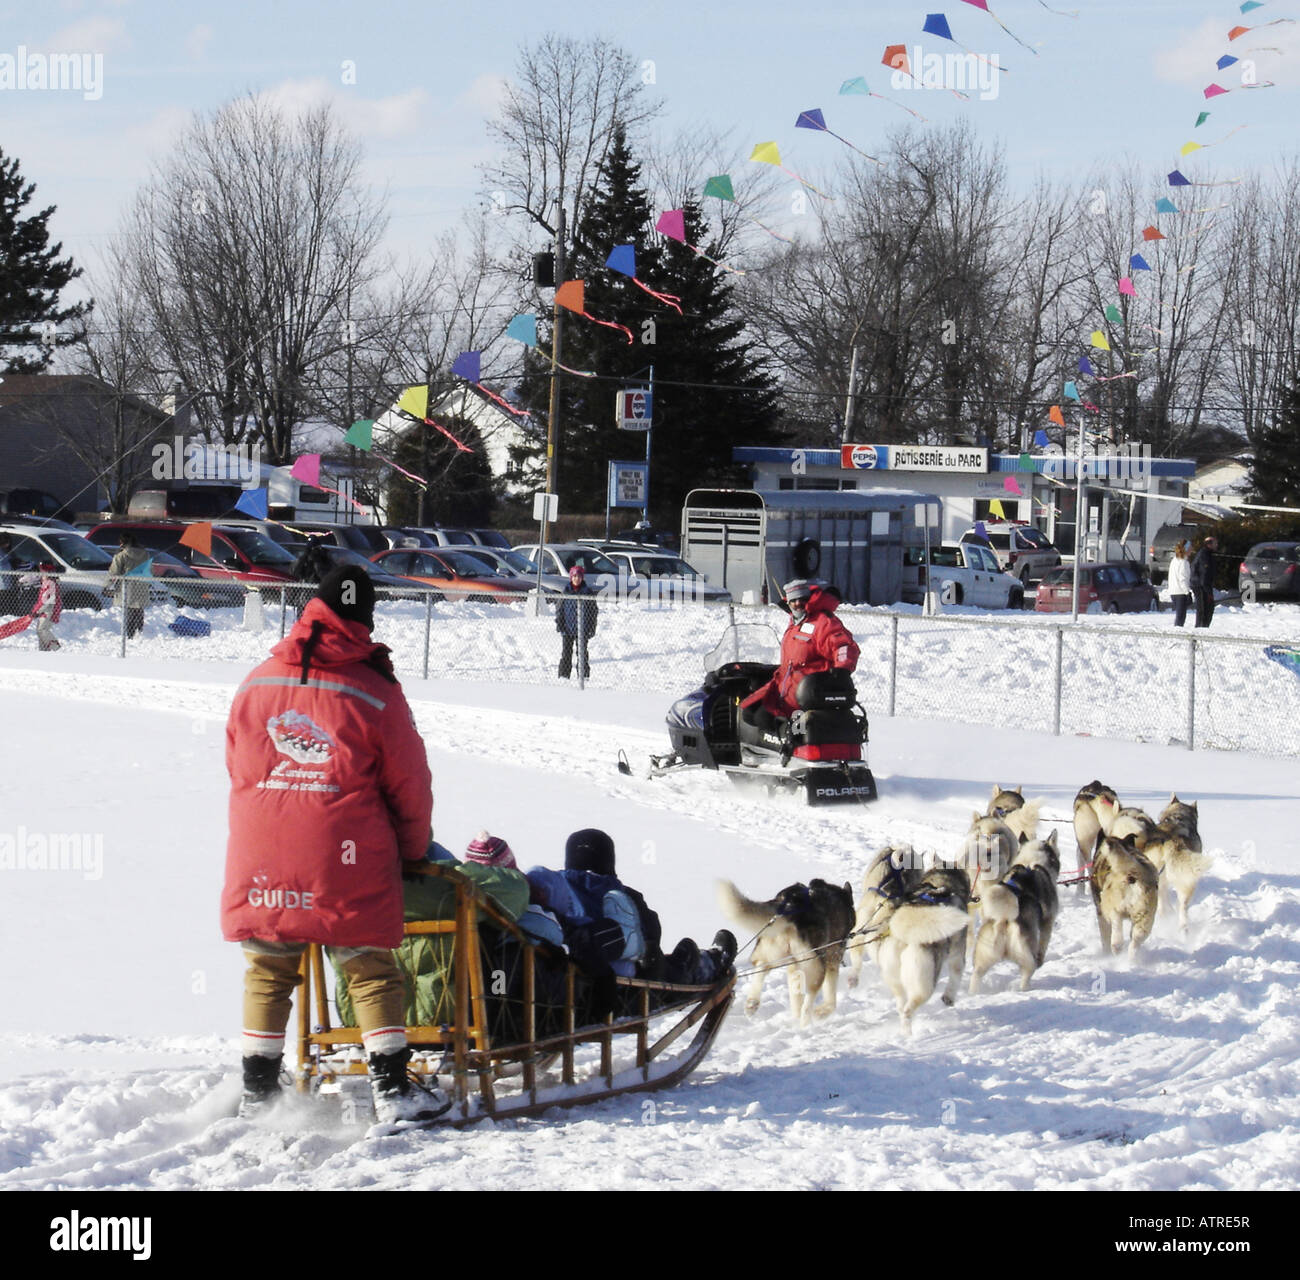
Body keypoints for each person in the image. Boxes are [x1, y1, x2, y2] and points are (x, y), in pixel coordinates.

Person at [221, 564, 447, 1125]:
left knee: (268, 970)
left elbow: (236, 762)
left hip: (263, 845)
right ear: (364, 620)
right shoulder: (373, 690)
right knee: (370, 968)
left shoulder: (256, 679)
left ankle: (258, 1092)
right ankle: (393, 1090)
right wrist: (413, 850)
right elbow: (409, 785)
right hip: (343, 852)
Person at [741, 579, 861, 729]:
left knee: (767, 721)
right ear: (788, 602)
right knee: (750, 713)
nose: (798, 603)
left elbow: (843, 646)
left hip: (808, 693)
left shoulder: (822, 621)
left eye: (802, 599)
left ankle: (792, 746)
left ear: (808, 599)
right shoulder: (795, 622)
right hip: (786, 689)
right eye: (793, 600)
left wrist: (841, 671)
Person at [556, 563, 598, 680]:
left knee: (582, 654)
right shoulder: (566, 591)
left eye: (579, 576)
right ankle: (564, 676)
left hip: (583, 629)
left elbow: (593, 612)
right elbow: (559, 610)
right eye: (574, 576)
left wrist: (591, 628)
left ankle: (583, 677)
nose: (576, 579)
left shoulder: (587, 592)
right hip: (567, 628)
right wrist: (560, 624)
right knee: (566, 654)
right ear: (571, 577)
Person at [107, 531, 151, 638]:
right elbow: (149, 570)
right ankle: (139, 631)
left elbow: (113, 572)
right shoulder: (145, 554)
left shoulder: (121, 556)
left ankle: (129, 635)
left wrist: (106, 585)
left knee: (129, 611)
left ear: (122, 542)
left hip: (126, 587)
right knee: (139, 610)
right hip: (142, 586)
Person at [1190, 534, 1218, 629]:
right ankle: (1200, 630)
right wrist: (1208, 591)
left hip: (1203, 585)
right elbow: (1204, 573)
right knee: (1203, 609)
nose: (1216, 545)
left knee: (1209, 608)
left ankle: (1204, 628)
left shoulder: (1209, 554)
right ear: (1209, 544)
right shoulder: (1204, 555)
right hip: (1200, 586)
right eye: (1215, 543)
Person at [33, 563, 61, 651]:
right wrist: (35, 610)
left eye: (43, 572)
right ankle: (43, 650)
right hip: (44, 611)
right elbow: (41, 601)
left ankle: (55, 648)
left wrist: (37, 611)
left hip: (49, 611)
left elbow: (48, 601)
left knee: (42, 630)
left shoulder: (50, 583)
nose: (41, 574)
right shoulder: (45, 583)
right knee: (40, 630)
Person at [1168, 538, 1192, 627]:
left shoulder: (1174, 560)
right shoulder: (1183, 562)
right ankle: (1178, 633)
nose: (1191, 550)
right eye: (1190, 548)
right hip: (1180, 592)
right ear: (1186, 549)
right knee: (1181, 617)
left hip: (1173, 591)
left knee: (1180, 615)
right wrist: (1187, 593)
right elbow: (1183, 579)